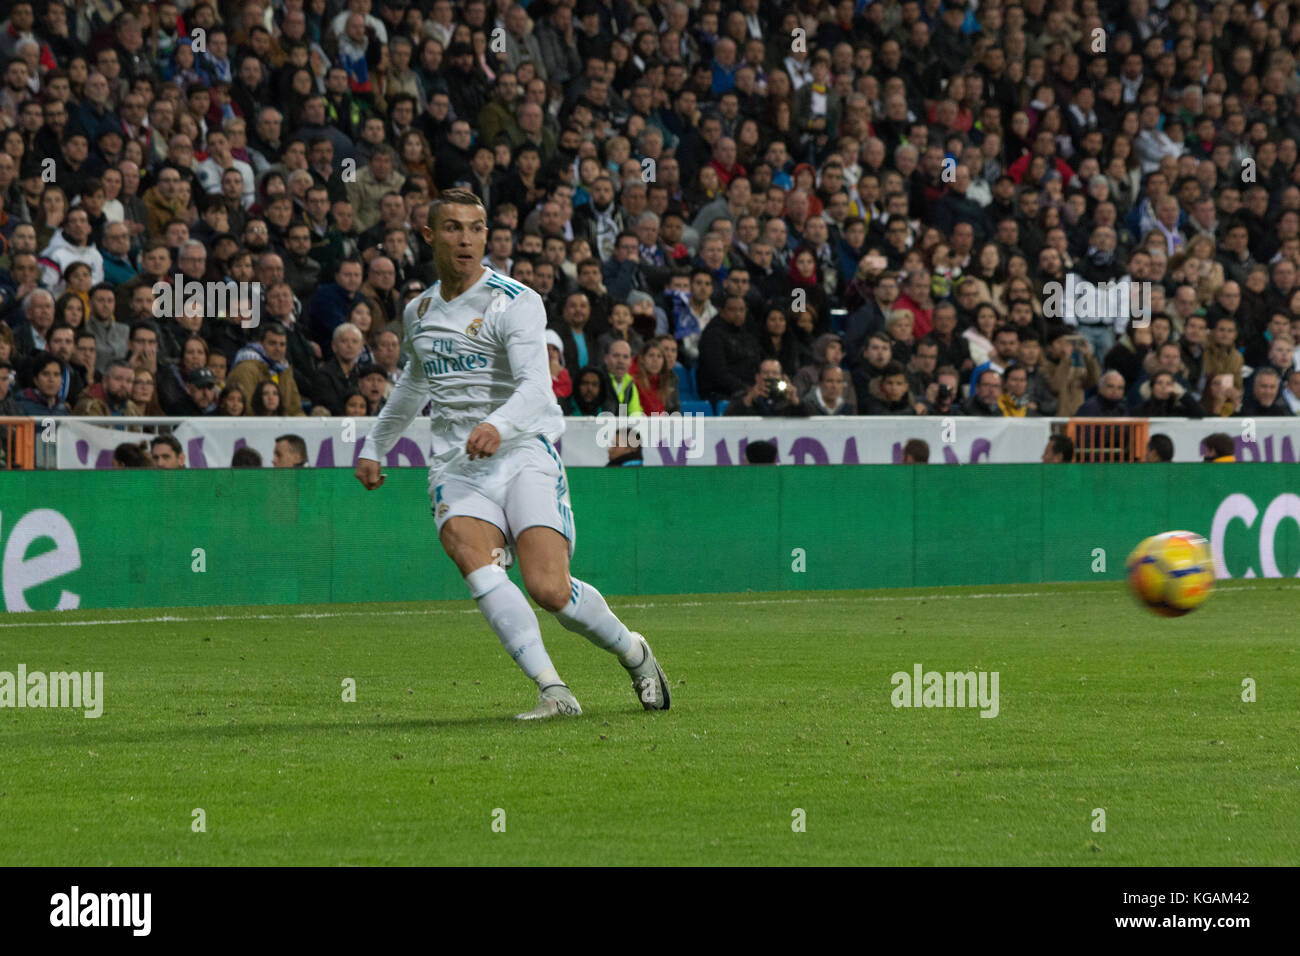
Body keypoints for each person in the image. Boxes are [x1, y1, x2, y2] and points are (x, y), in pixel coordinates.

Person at [354, 190, 670, 720]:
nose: (466, 239)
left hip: (523, 451)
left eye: (476, 228)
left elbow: (536, 389)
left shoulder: (515, 300)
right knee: (477, 563)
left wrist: (496, 425)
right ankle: (552, 689)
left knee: (549, 589)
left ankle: (634, 652)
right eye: (453, 228)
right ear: (429, 237)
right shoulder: (419, 311)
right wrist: (374, 446)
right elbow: (413, 382)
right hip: (457, 467)